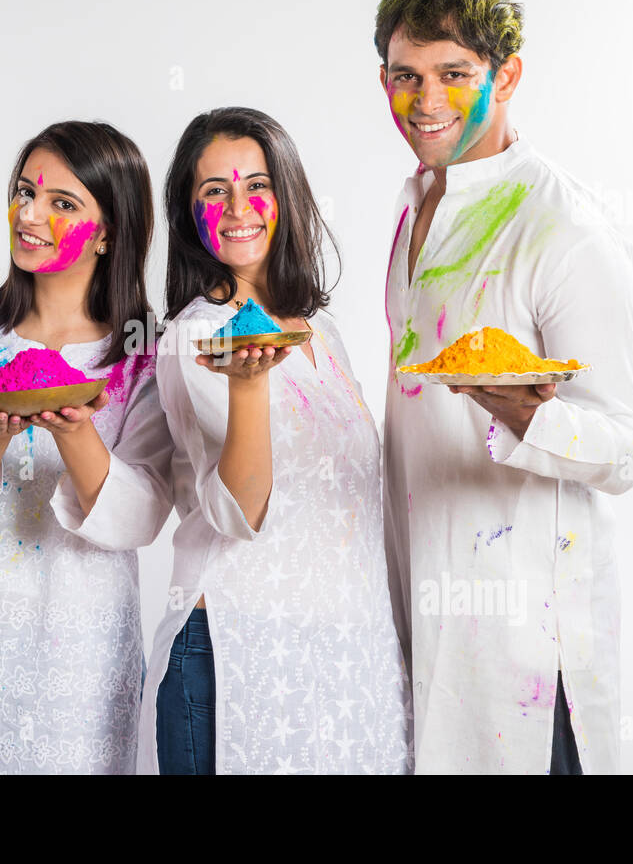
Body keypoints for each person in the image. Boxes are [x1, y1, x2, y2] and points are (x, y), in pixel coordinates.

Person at [375, 0, 633, 773]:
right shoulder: (412, 199)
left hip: (529, 647)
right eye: (406, 76)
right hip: (423, 616)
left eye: (455, 75)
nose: (428, 101)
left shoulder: (564, 228)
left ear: (508, 75)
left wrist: (523, 410)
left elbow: (629, 446)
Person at [140, 107, 412, 774]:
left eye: (256, 186)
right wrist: (247, 387)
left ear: (285, 197)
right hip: (233, 654)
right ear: (188, 211)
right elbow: (242, 512)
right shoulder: (194, 338)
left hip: (340, 659)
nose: (239, 208)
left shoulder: (323, 332)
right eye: (214, 192)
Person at [0, 121, 172, 774]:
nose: (30, 214)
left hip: (85, 652)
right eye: (25, 192)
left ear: (109, 231)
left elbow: (144, 514)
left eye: (62, 203)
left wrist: (75, 429)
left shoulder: (140, 357)